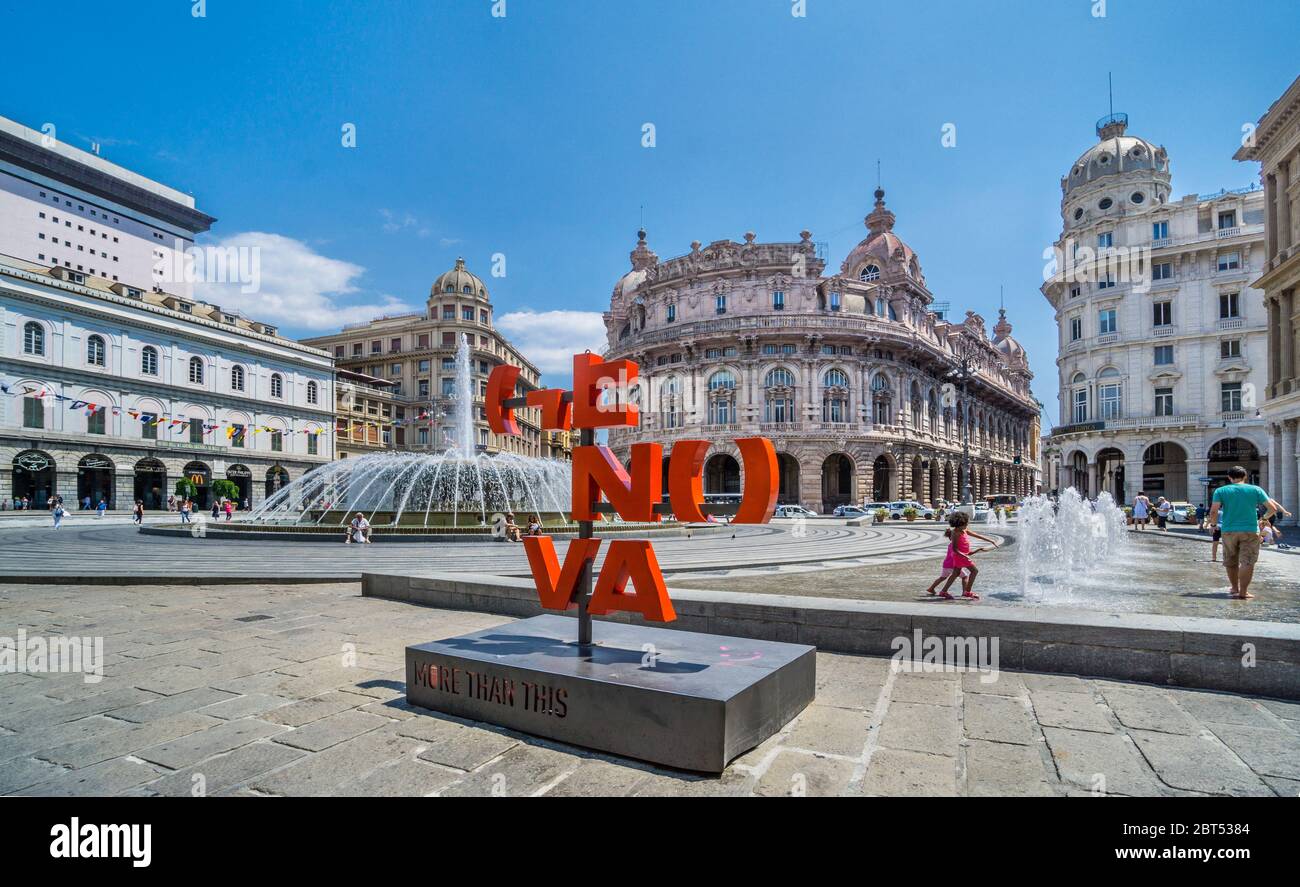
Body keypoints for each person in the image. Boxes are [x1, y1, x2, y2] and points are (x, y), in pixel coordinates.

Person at [1207, 466, 1275, 600]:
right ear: (1245, 477)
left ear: (1229, 477)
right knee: (1247, 562)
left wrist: (1213, 525)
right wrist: (1264, 519)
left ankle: (1234, 588)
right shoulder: (1256, 489)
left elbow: (1214, 511)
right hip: (1250, 530)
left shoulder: (1221, 490)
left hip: (1228, 530)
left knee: (1231, 560)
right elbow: (1272, 508)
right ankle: (1243, 592)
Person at [929, 512, 998, 600]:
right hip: (959, 556)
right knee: (974, 571)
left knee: (955, 574)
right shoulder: (955, 533)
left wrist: (991, 540)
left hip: (962, 556)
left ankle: (944, 591)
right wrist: (964, 555)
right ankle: (967, 592)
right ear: (959, 524)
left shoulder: (964, 530)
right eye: (965, 524)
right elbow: (954, 549)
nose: (967, 526)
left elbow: (977, 535)